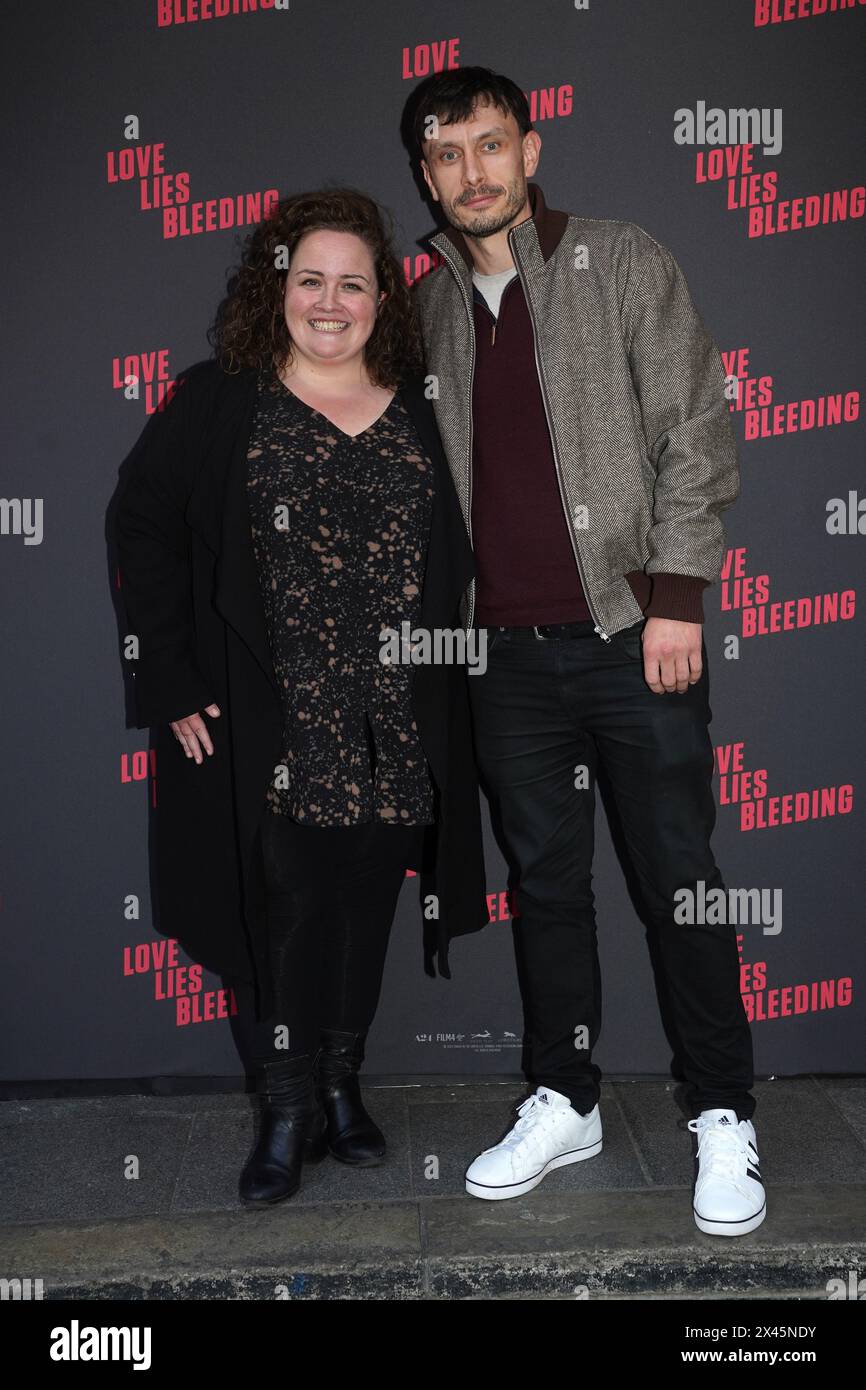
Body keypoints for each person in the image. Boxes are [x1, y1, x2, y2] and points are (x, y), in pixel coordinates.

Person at [408, 68, 764, 1236]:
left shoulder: (619, 258)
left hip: (630, 639)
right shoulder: (428, 304)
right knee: (546, 891)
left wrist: (675, 597)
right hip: (503, 663)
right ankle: (566, 1095)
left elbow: (697, 428)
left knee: (680, 880)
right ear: (427, 173)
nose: (472, 172)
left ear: (530, 147)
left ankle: (722, 1112)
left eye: (489, 145)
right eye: (447, 154)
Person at [114, 188, 488, 1208]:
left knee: (360, 912)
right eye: (310, 279)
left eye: (352, 284)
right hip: (265, 715)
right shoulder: (219, 399)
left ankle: (338, 1085)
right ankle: (283, 1110)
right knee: (276, 914)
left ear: (382, 301)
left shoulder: (422, 406)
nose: (330, 301)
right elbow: (138, 528)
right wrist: (172, 676)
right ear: (276, 288)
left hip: (389, 719)